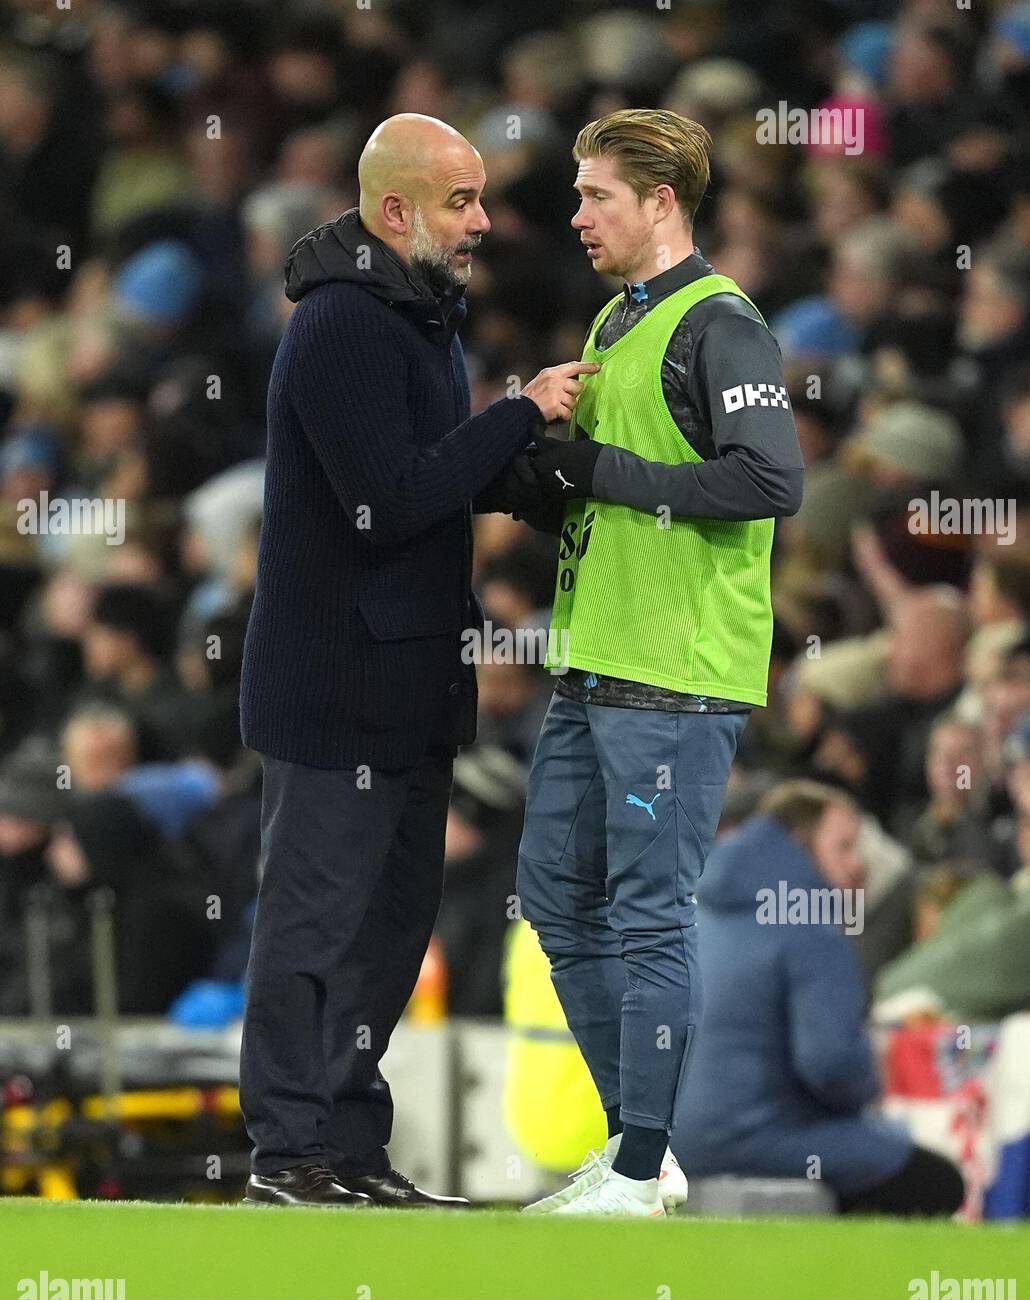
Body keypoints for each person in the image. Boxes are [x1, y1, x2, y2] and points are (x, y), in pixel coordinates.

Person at [238, 112, 589, 1208]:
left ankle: (346, 1149)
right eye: (460, 201)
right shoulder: (343, 323)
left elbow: (435, 475)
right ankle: (288, 1153)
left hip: (410, 685)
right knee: (315, 922)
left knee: (387, 935)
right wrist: (515, 416)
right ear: (395, 210)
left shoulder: (418, 315)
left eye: (480, 199)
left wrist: (555, 482)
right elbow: (384, 500)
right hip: (336, 689)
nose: (481, 221)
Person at [515, 108, 805, 1217]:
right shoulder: (615, 318)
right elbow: (613, 484)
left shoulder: (720, 323)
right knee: (551, 894)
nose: (576, 214)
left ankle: (639, 1166)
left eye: (596, 196)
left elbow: (768, 480)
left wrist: (602, 470)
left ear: (660, 203)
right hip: (596, 658)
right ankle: (638, 1144)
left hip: (675, 670)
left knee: (648, 912)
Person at [673, 781, 965, 1218]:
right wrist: (871, 1089)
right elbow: (831, 1064)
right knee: (938, 1182)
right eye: (844, 847)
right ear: (798, 843)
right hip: (761, 1140)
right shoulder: (810, 930)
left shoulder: (699, 916)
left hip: (677, 1144)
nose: (857, 866)